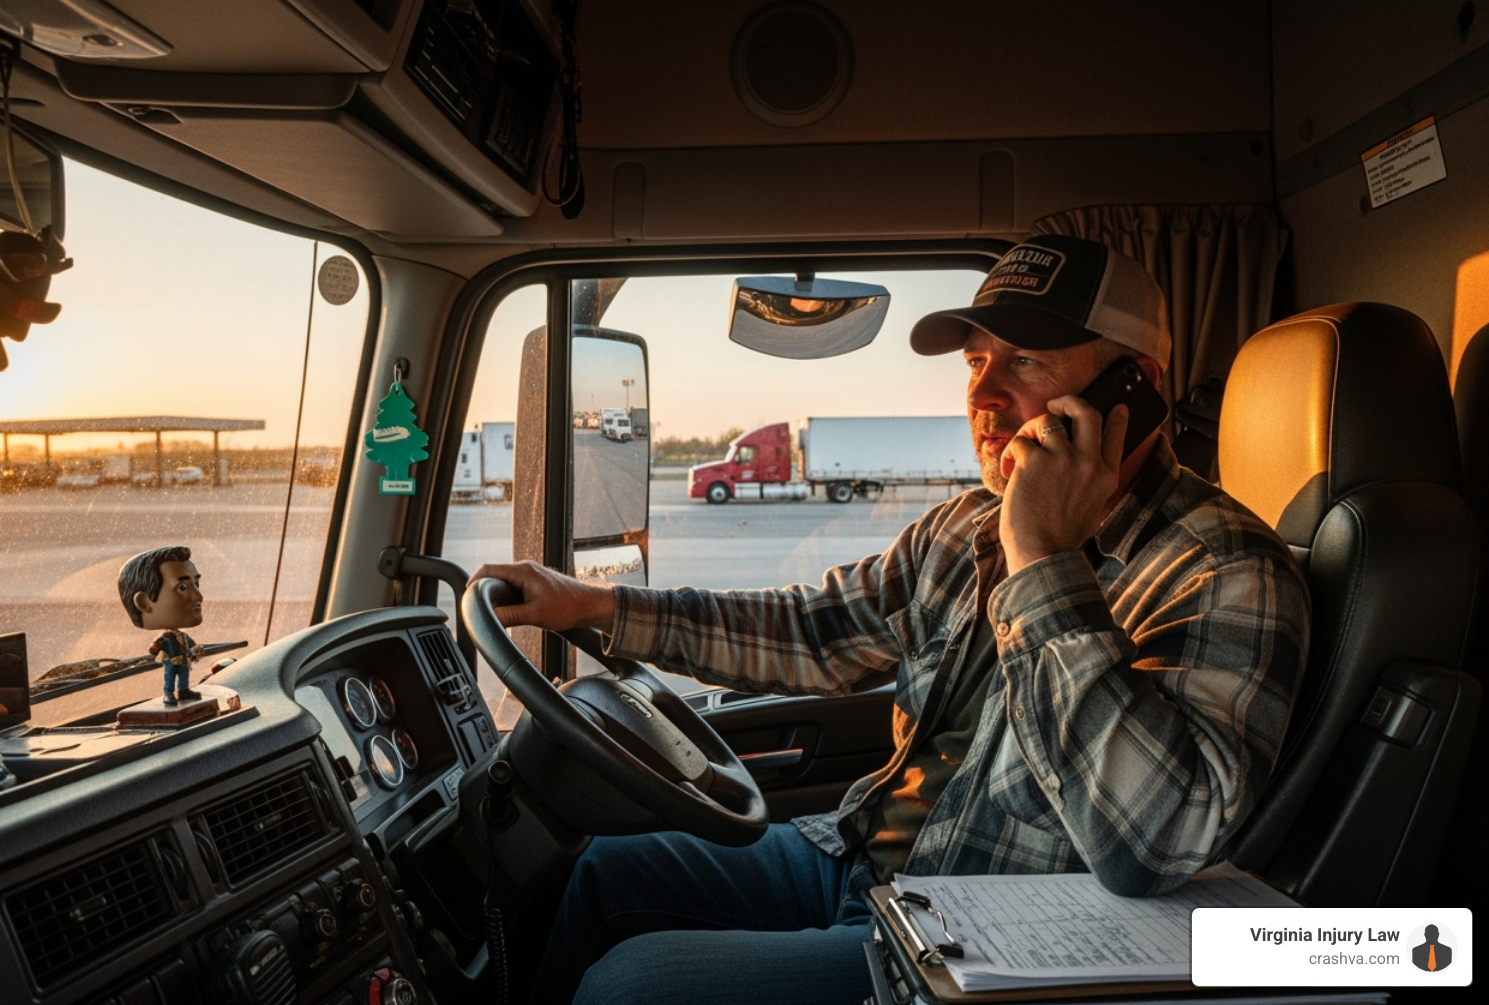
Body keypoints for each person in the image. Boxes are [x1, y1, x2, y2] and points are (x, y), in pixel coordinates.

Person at [477, 234, 1309, 1005]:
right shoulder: (965, 527)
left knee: (633, 988)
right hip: (857, 859)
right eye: (978, 361)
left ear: (1137, 387)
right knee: (603, 873)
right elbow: (815, 630)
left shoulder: (1226, 570)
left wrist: (1043, 560)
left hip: (987, 941)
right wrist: (599, 605)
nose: (984, 393)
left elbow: (1155, 840)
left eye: (1025, 360)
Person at [118, 545, 206, 706]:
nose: (199, 596)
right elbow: (154, 649)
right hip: (172, 662)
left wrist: (194, 652)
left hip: (183, 663)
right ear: (144, 603)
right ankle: (169, 693)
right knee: (170, 677)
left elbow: (191, 646)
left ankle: (184, 690)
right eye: (182, 588)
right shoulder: (166, 638)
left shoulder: (183, 637)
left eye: (196, 584)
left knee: (183, 676)